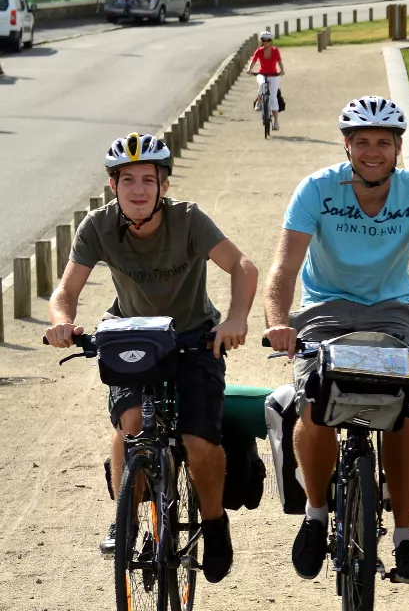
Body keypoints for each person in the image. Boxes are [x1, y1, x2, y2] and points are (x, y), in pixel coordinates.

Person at [46, 133, 259, 582]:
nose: (138, 189)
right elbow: (66, 290)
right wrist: (63, 322)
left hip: (193, 338)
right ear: (113, 185)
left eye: (149, 179)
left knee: (199, 440)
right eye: (128, 180)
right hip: (132, 336)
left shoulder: (189, 219)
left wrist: (236, 318)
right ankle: (125, 519)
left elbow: (243, 266)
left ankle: (215, 524)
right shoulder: (98, 226)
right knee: (131, 424)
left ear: (164, 185)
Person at [263, 96, 409, 585]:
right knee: (314, 402)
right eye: (362, 141)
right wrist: (279, 323)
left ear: (398, 148)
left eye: (383, 143)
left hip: (391, 313)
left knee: (406, 408)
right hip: (324, 311)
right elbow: (284, 267)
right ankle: (315, 513)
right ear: (346, 146)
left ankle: (405, 536)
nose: (373, 151)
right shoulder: (317, 189)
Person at [247, 32, 285, 132]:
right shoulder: (259, 51)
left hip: (273, 75)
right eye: (264, 40)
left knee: (273, 98)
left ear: (271, 41)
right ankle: (259, 102)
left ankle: (276, 122)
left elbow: (279, 61)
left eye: (268, 40)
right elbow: (253, 60)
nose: (266, 42)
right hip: (262, 74)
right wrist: (249, 69)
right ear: (261, 41)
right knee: (262, 83)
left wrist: (282, 70)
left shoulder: (275, 50)